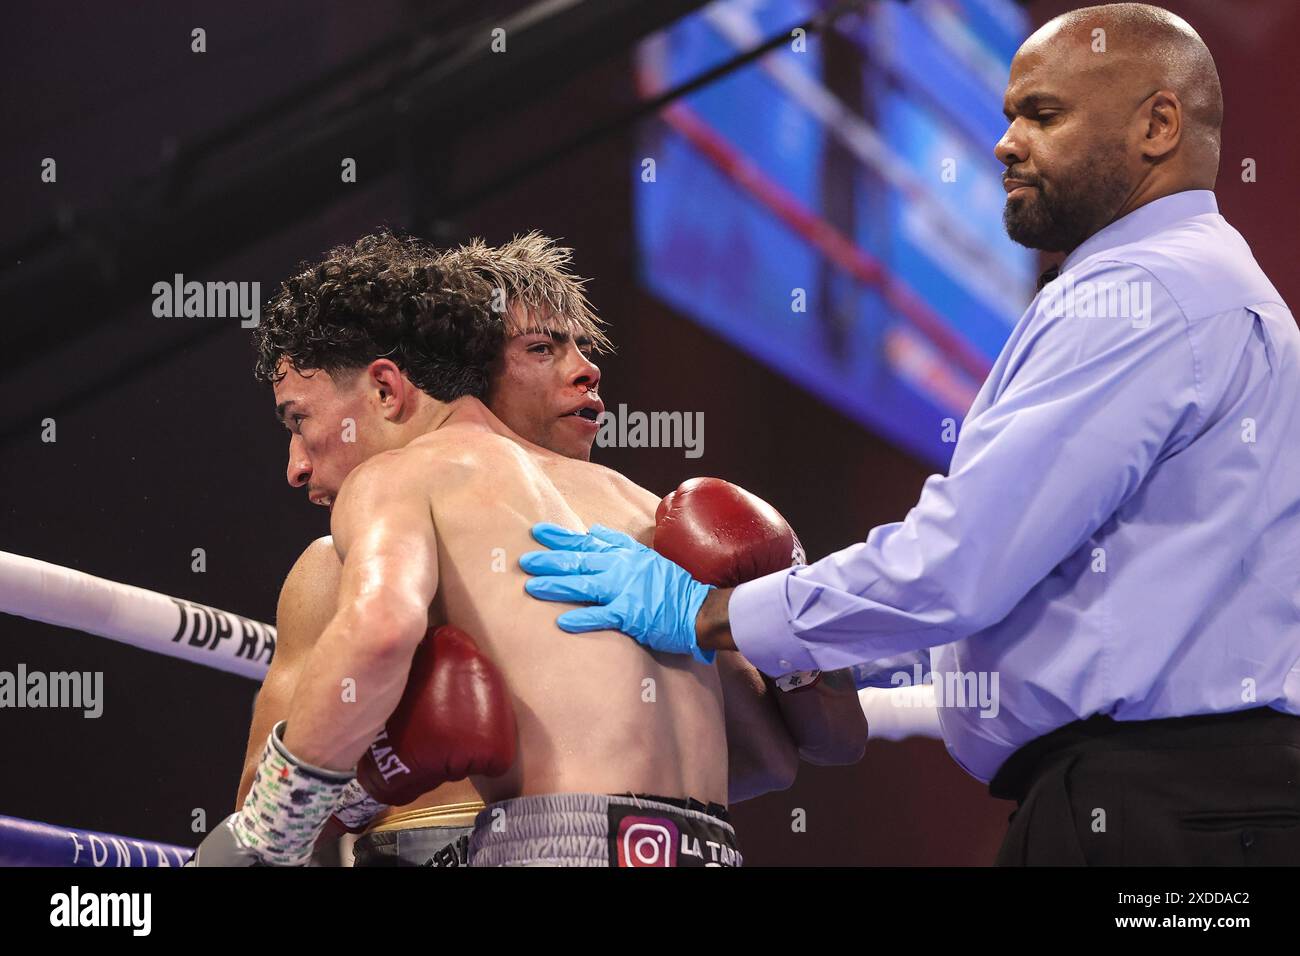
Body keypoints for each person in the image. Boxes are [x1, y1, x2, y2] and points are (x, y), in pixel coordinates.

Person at [519, 3, 1300, 866]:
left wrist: (709, 613)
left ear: (1159, 125)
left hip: (1156, 818)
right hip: (1191, 810)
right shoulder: (1196, 285)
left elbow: (961, 565)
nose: (1005, 142)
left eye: (1042, 114)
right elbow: (1071, 623)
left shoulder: (1143, 295)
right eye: (1007, 115)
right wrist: (841, 673)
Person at [199, 230, 864, 868]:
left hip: (545, 841)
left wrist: (265, 833)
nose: (585, 370)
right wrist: (374, 784)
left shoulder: (408, 481)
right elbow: (775, 759)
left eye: (299, 420)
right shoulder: (636, 509)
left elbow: (377, 632)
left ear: (387, 386)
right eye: (543, 348)